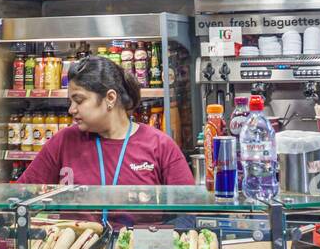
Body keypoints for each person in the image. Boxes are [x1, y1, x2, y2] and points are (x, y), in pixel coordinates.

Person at [16, 55, 195, 187]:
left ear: (110, 98)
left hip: (138, 239)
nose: (71, 110)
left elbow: (186, 213)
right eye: (69, 102)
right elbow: (22, 193)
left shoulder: (160, 145)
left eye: (79, 100)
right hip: (80, 237)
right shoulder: (64, 141)